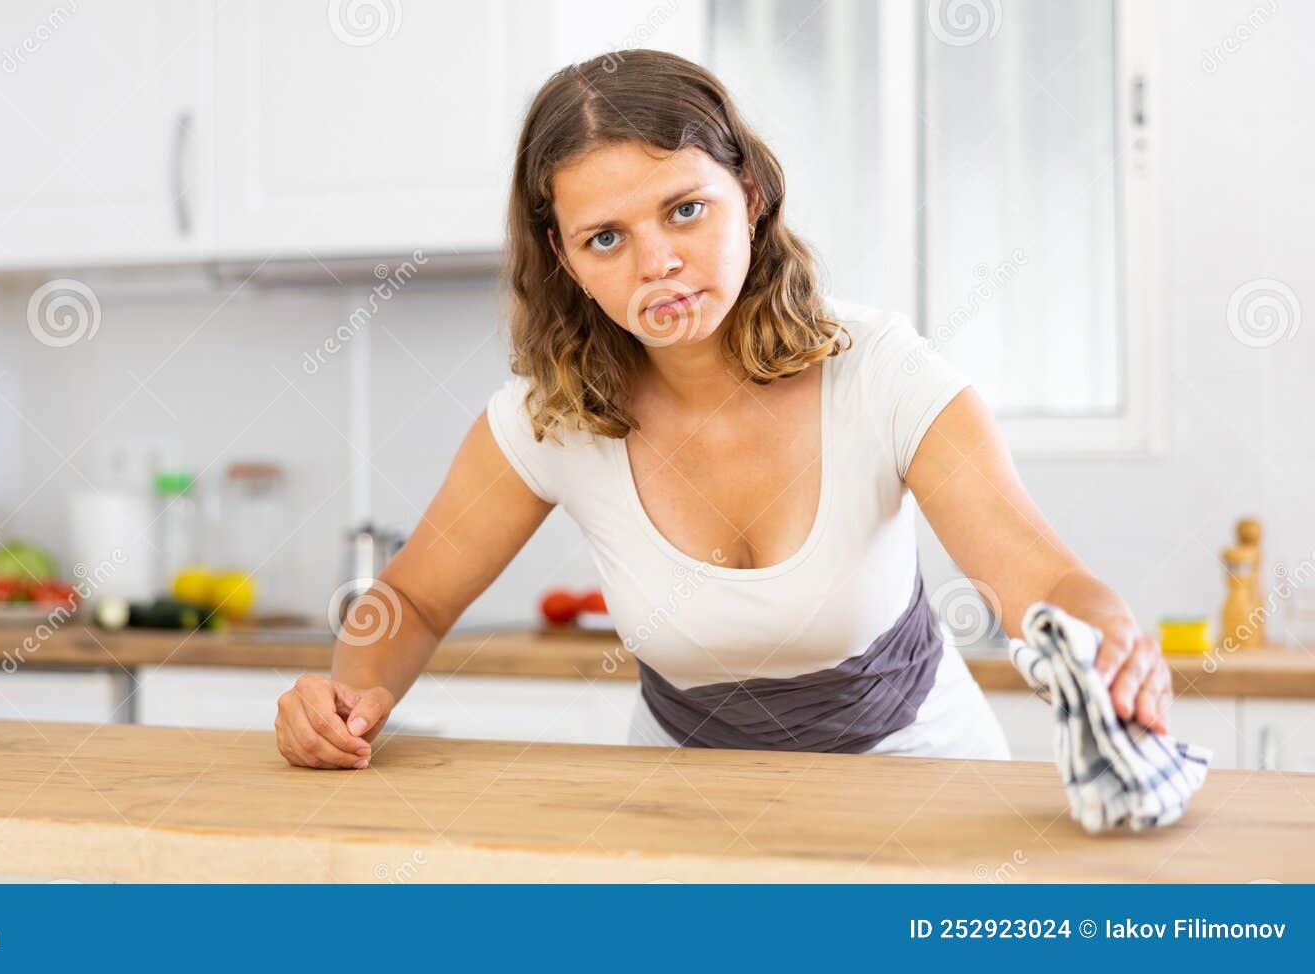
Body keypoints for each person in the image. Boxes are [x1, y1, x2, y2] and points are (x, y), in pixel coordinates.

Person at [274, 49, 1173, 770]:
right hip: (685, 818)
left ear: (750, 197)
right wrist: (347, 698)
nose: (655, 260)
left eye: (686, 209)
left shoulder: (882, 375)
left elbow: (1042, 585)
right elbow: (413, 600)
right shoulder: (548, 419)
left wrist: (1111, 638)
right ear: (566, 260)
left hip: (923, 786)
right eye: (606, 237)